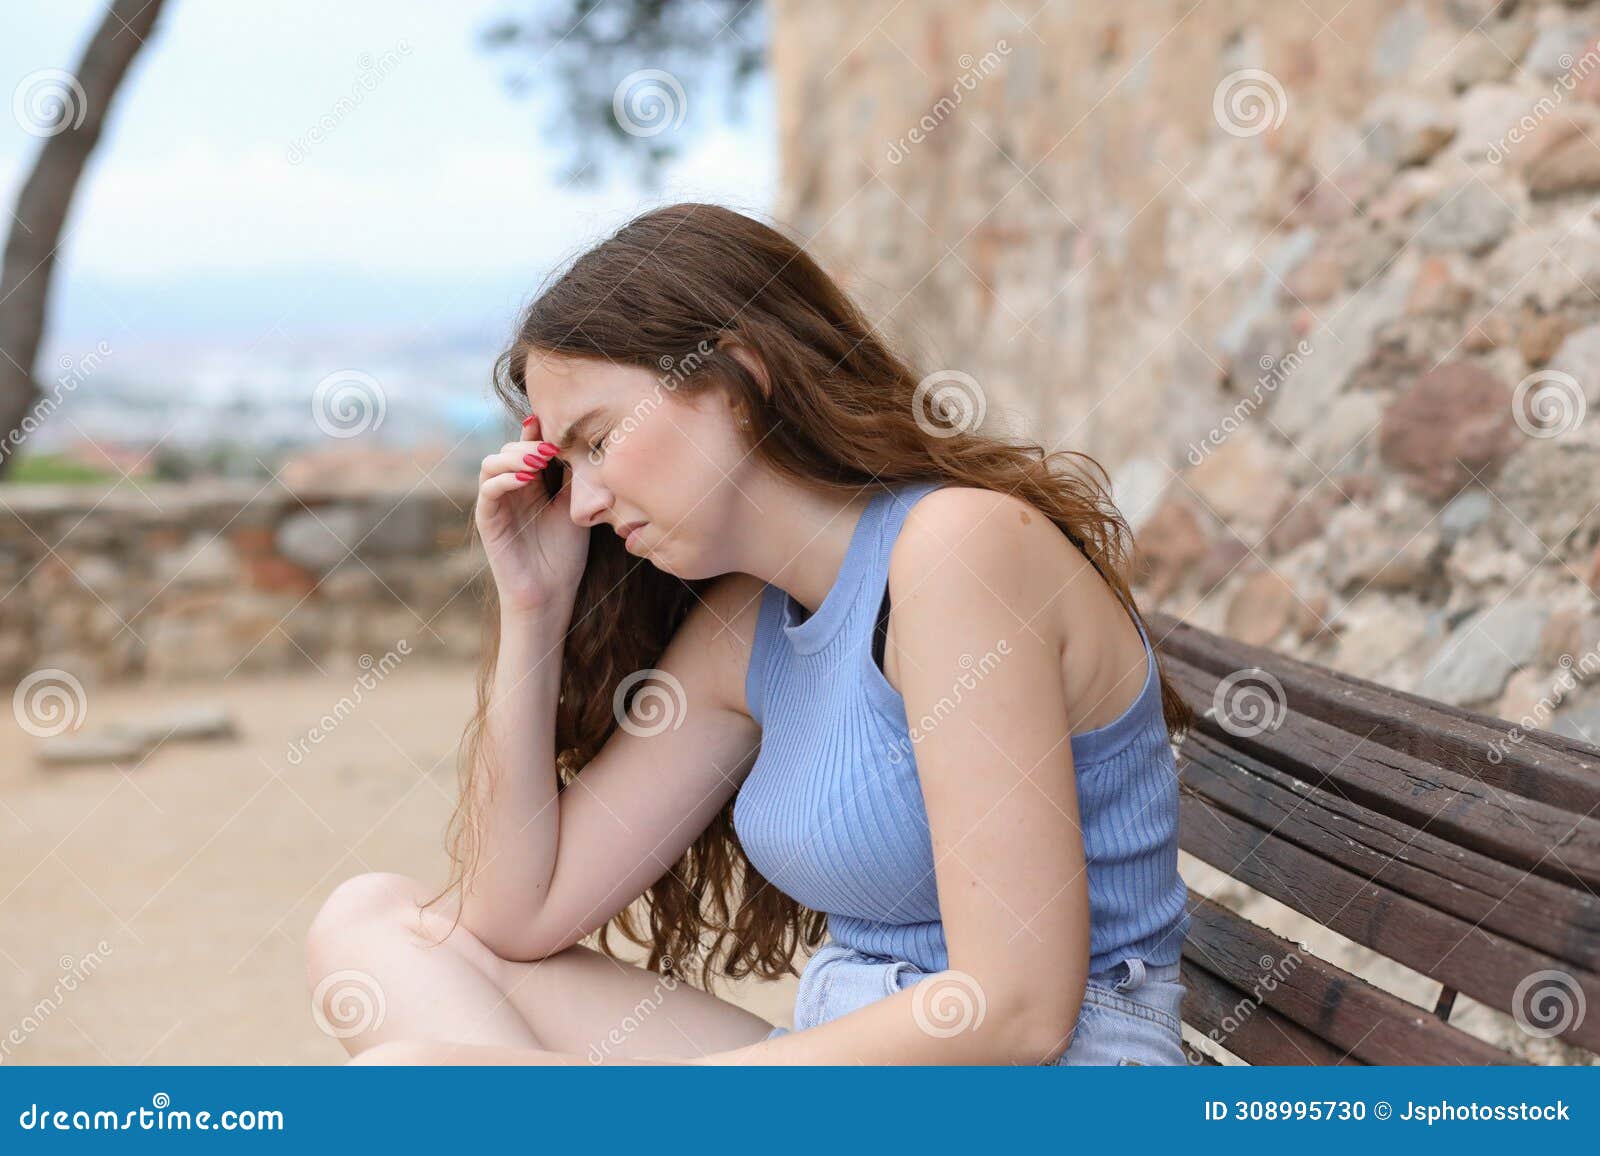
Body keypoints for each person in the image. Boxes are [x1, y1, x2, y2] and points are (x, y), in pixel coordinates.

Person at [305, 202, 1195, 1066]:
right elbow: (516, 918)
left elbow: (1018, 1013)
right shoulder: (751, 620)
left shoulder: (958, 549)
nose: (582, 504)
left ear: (737, 376)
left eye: (599, 441)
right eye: (564, 465)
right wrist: (533, 605)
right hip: (860, 1080)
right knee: (370, 926)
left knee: (413, 1082)